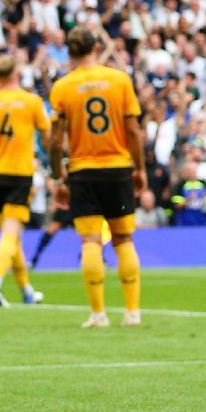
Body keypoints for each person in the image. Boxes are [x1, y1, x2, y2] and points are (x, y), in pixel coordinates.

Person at [48, 27, 146, 329]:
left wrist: (58, 177)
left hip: (83, 171)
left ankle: (98, 314)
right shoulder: (119, 80)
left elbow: (54, 141)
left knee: (91, 241)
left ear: (70, 52)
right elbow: (133, 130)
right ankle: (132, 312)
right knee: (123, 239)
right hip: (117, 169)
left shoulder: (63, 87)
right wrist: (139, 168)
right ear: (95, 47)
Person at [0, 53, 48, 306]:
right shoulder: (31, 102)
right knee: (10, 231)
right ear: (16, 72)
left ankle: (27, 290)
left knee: (12, 233)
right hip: (20, 173)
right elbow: (47, 136)